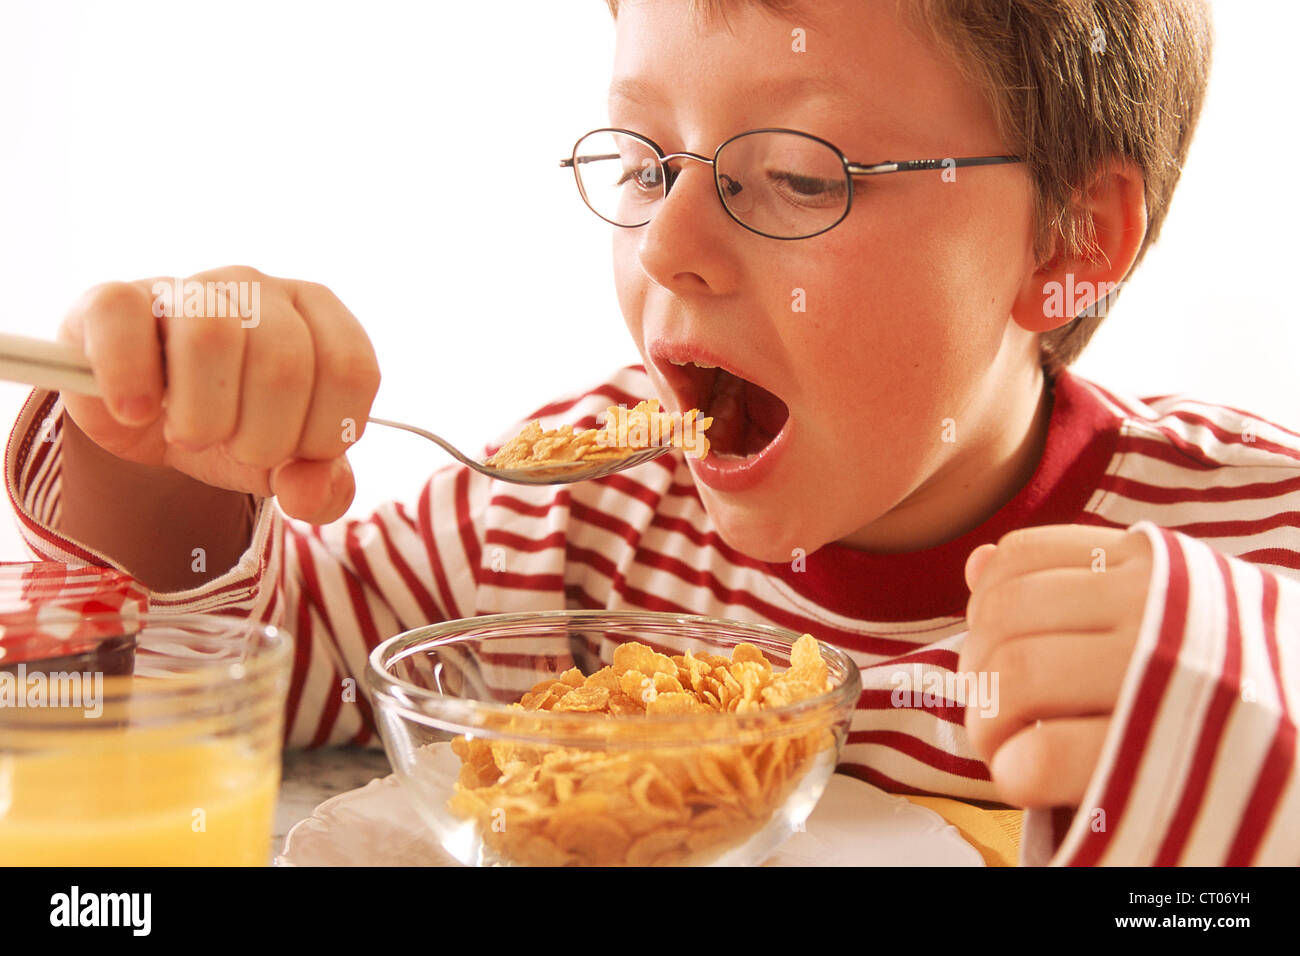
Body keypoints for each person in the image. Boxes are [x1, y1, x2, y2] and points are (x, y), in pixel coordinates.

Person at [6, 0, 1296, 865]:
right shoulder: (565, 521)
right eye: (641, 162)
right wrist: (152, 450)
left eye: (798, 175)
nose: (671, 245)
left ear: (1068, 242)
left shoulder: (1255, 554)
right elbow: (216, 684)